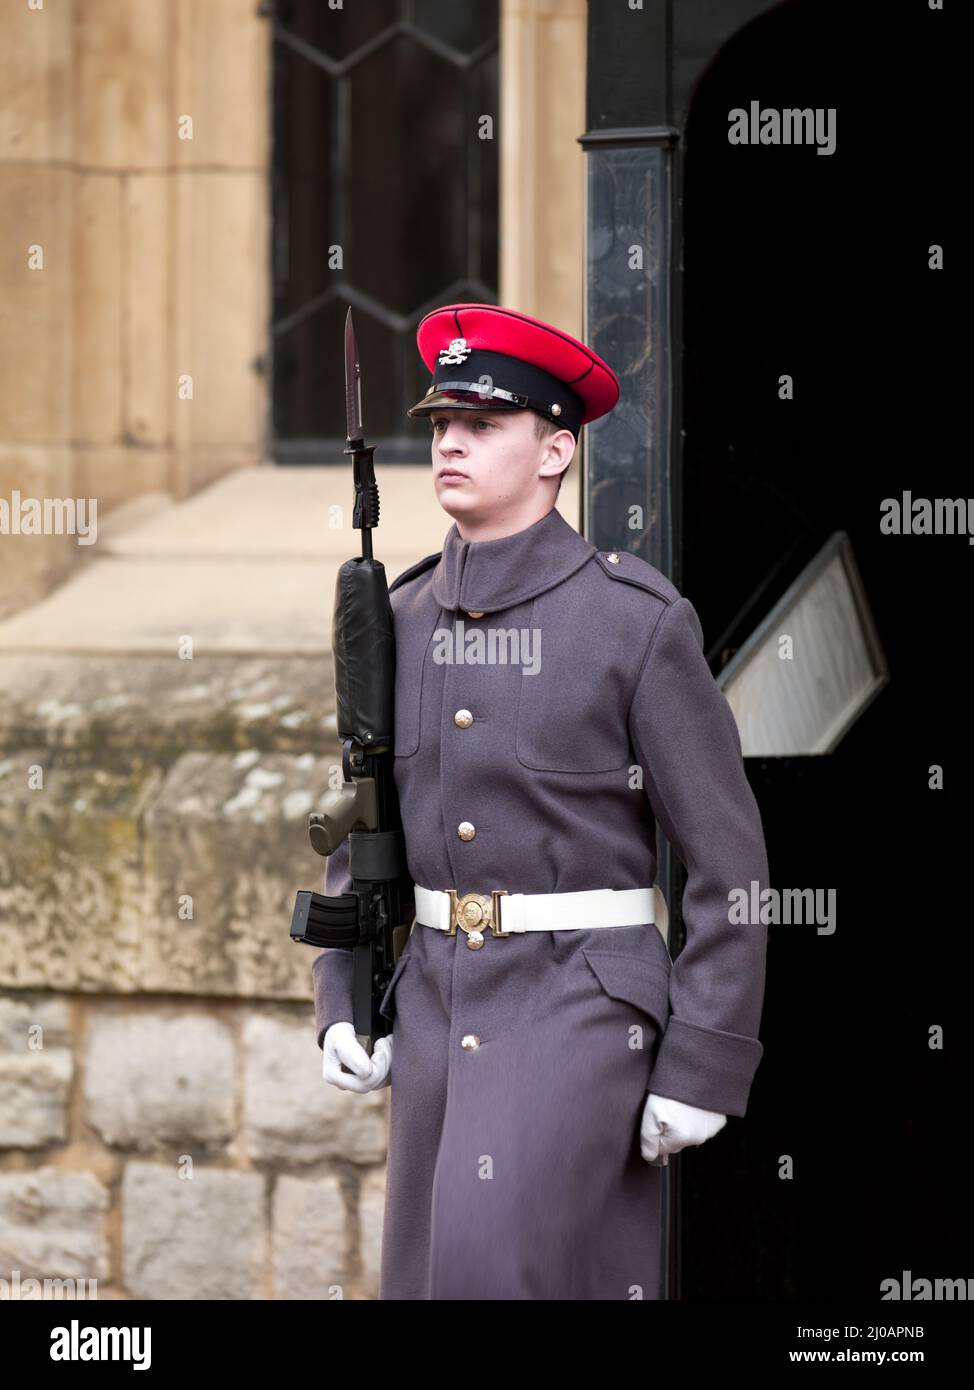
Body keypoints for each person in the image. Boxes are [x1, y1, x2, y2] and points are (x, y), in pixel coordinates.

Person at [312, 303, 769, 1300]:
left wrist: (704, 1057)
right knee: (429, 1277)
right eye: (439, 426)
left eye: (482, 425)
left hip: (580, 1008)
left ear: (555, 449)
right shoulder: (398, 617)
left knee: (497, 1271)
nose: (449, 444)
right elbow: (363, 824)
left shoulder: (632, 623)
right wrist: (342, 998)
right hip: (433, 1008)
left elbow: (728, 866)